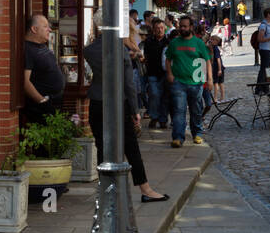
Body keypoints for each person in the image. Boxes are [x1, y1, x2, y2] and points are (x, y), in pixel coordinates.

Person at [83, 21, 168, 202]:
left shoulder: (90, 50)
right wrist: (135, 110)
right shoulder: (119, 50)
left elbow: (91, 57)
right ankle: (145, 189)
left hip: (97, 102)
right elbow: (128, 84)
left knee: (102, 147)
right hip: (117, 103)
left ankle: (106, 190)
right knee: (131, 147)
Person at [166, 14, 211, 148]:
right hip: (178, 82)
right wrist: (169, 73)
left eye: (185, 26)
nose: (183, 29)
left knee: (196, 110)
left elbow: (207, 60)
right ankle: (178, 137)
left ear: (191, 27)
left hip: (196, 82)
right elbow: (168, 59)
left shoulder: (198, 43)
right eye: (181, 26)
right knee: (179, 110)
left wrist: (209, 78)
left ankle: (197, 133)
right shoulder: (174, 43)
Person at [22, 14, 65, 128]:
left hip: (55, 102)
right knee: (45, 144)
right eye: (45, 26)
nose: (49, 29)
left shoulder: (41, 45)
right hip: (41, 107)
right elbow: (24, 81)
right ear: (34, 29)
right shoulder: (27, 49)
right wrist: (42, 101)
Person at [141, 18, 170, 129]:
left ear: (165, 29)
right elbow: (146, 56)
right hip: (152, 72)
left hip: (165, 73)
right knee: (154, 95)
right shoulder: (149, 41)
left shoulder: (168, 42)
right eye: (157, 28)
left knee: (164, 97)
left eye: (162, 28)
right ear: (153, 29)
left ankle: (163, 120)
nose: (159, 30)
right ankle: (154, 117)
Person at [255, 7, 270, 87]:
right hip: (265, 50)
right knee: (264, 70)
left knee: (268, 70)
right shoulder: (263, 25)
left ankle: (266, 88)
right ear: (268, 15)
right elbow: (260, 39)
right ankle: (259, 88)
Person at [207, 34, 226, 103]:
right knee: (220, 83)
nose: (210, 41)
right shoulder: (214, 48)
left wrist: (220, 69)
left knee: (216, 83)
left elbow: (218, 59)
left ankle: (215, 98)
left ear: (216, 41)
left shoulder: (215, 48)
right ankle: (222, 97)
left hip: (217, 68)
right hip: (219, 68)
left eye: (211, 40)